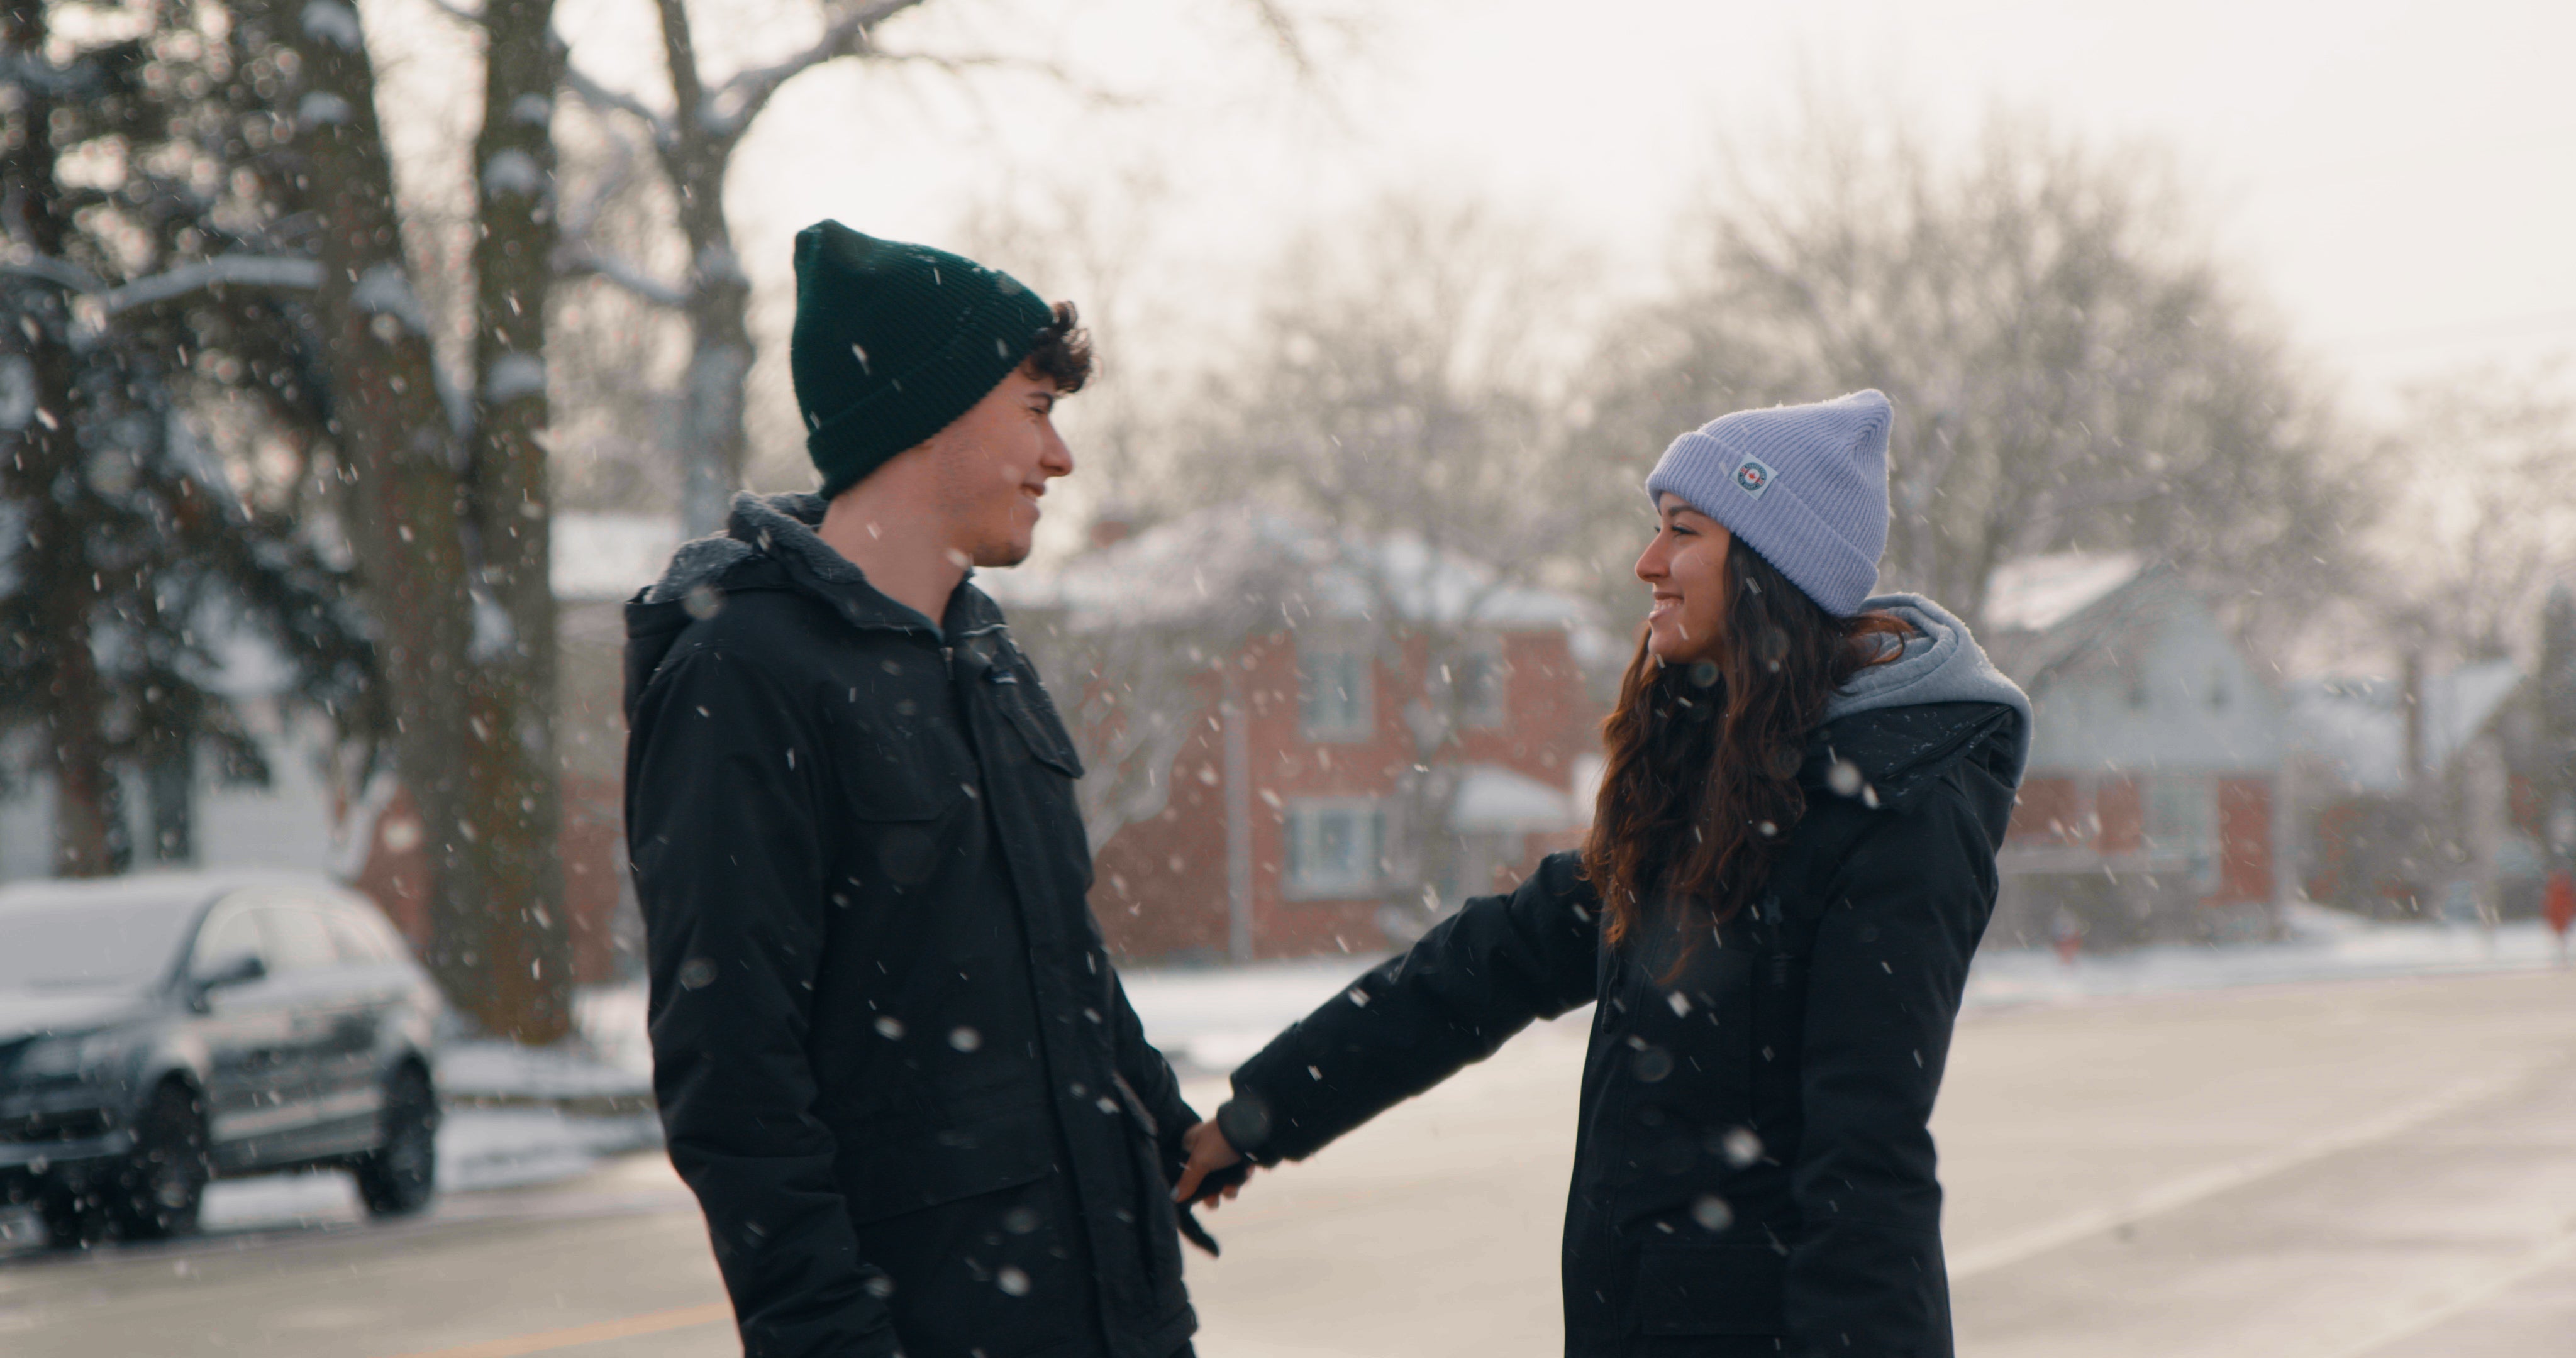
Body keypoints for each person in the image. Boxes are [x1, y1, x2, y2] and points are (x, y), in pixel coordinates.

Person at [1172, 390, 2031, 1357]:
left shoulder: (1897, 810)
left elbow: (1867, 1164)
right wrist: (1258, 1114)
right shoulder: (1710, 785)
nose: (1647, 563)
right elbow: (1485, 964)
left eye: (1682, 532)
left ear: (1765, 569)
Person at [625, 223, 1219, 1358]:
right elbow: (734, 1073)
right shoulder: (745, 675)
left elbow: (1061, 956)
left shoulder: (982, 655)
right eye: (1037, 411)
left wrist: (1158, 1117)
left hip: (1116, 1313)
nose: (1062, 460)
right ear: (925, 413)